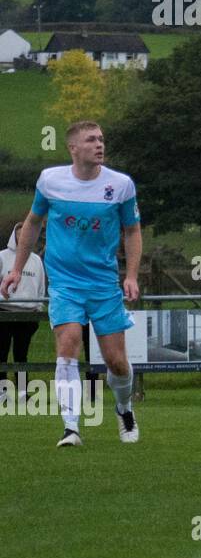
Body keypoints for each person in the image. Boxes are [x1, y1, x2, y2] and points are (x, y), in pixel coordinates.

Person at [0, 120, 141, 447]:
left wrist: (130, 275)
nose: (100, 144)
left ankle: (124, 408)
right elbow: (33, 222)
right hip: (64, 282)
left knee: (115, 361)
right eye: (91, 140)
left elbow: (132, 231)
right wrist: (17, 269)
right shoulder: (51, 180)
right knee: (68, 345)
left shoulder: (120, 185)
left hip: (104, 283)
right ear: (73, 148)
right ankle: (71, 427)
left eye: (102, 139)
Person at [0, 224, 46, 402]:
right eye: (20, 234)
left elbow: (41, 286)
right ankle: (2, 392)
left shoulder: (36, 260)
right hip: (5, 312)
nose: (23, 238)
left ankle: (22, 393)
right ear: (15, 236)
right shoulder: (2, 257)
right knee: (2, 353)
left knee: (22, 355)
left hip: (28, 315)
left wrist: (38, 307)